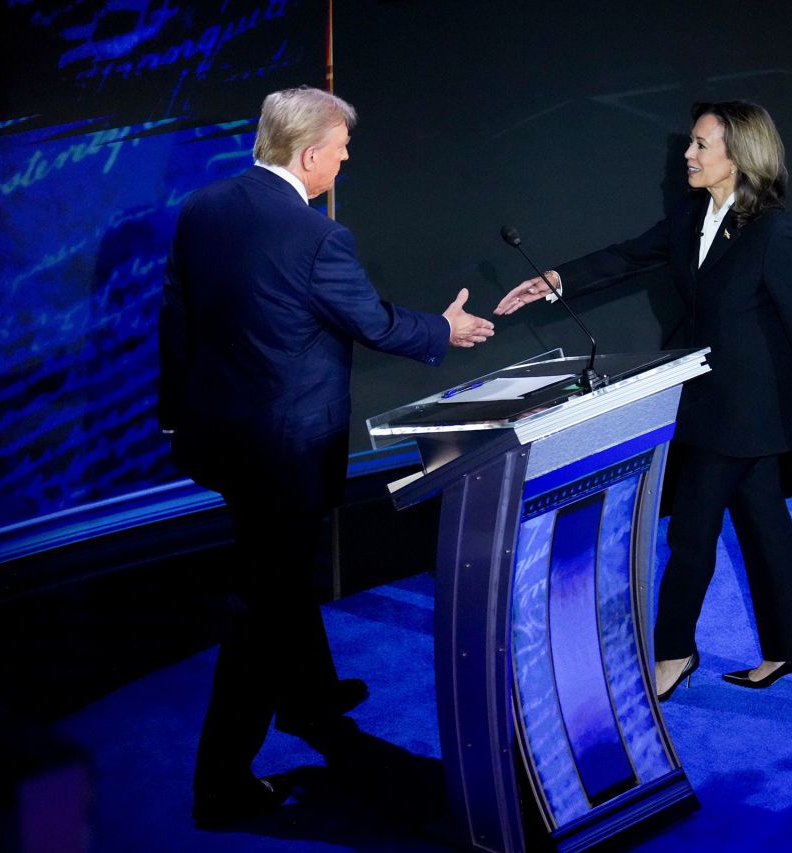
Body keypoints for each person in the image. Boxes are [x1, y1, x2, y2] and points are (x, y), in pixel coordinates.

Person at [159, 85, 494, 825]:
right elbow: (370, 319)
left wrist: (175, 424)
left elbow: (175, 318)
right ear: (311, 154)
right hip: (287, 453)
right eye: (342, 148)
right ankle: (220, 783)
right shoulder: (317, 238)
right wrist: (444, 329)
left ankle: (309, 700)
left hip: (226, 444)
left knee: (276, 574)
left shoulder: (205, 208)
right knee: (263, 607)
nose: (346, 158)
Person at [495, 100, 792, 700]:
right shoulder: (691, 218)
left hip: (744, 413)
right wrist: (555, 280)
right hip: (707, 400)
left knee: (691, 533)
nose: (689, 154)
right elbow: (628, 257)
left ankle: (673, 653)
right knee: (763, 523)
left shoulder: (774, 234)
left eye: (702, 145)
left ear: (736, 158)